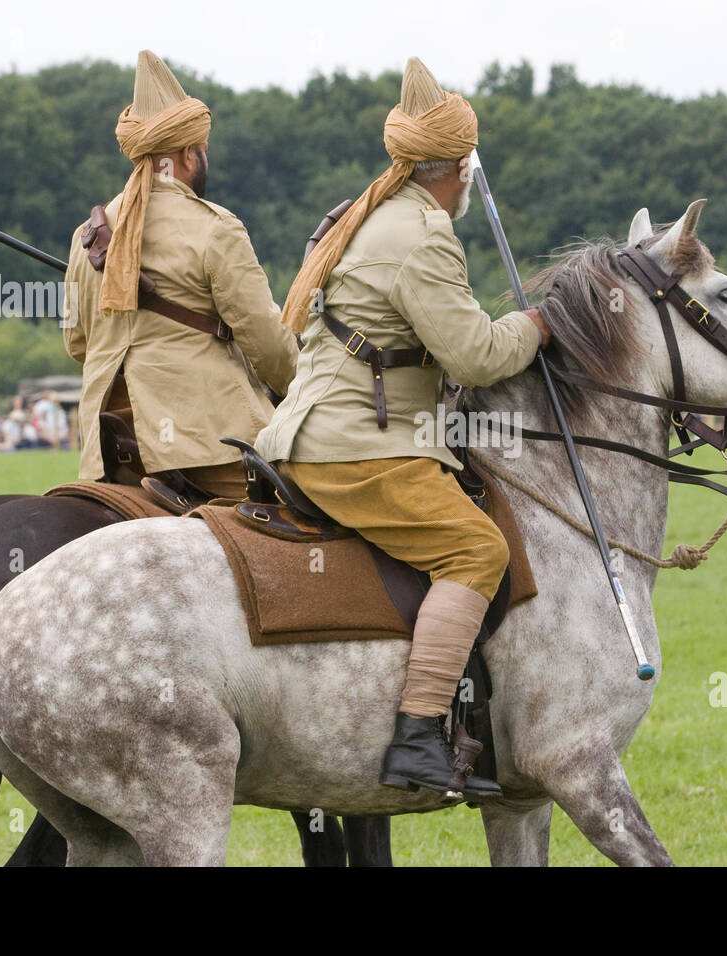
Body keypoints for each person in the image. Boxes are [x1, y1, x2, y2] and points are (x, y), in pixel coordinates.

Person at [256, 58, 549, 799]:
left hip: (305, 430)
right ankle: (418, 738)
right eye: (471, 168)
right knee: (476, 548)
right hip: (360, 448)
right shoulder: (423, 235)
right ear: (458, 168)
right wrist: (536, 326)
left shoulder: (360, 216)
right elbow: (477, 355)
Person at [63, 50, 297, 499]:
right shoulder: (215, 227)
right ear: (189, 154)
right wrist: (306, 388)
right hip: (204, 446)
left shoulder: (88, 237)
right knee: (319, 507)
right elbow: (269, 346)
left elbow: (77, 345)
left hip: (108, 448)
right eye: (202, 151)